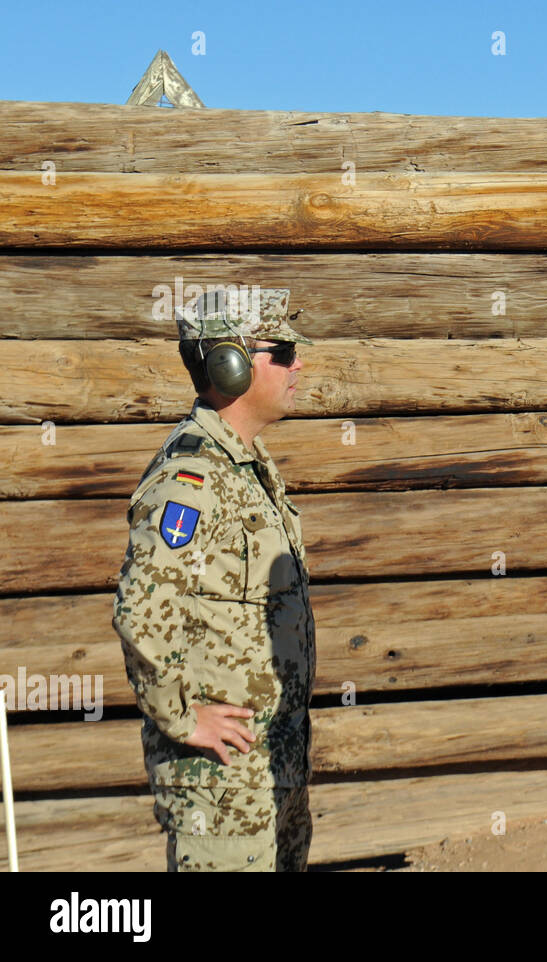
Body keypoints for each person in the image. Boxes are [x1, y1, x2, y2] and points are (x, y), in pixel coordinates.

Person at [113, 286, 316, 871]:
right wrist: (181, 716)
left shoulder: (246, 468)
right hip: (222, 791)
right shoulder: (192, 480)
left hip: (271, 772)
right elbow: (139, 614)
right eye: (279, 350)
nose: (296, 362)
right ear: (227, 363)